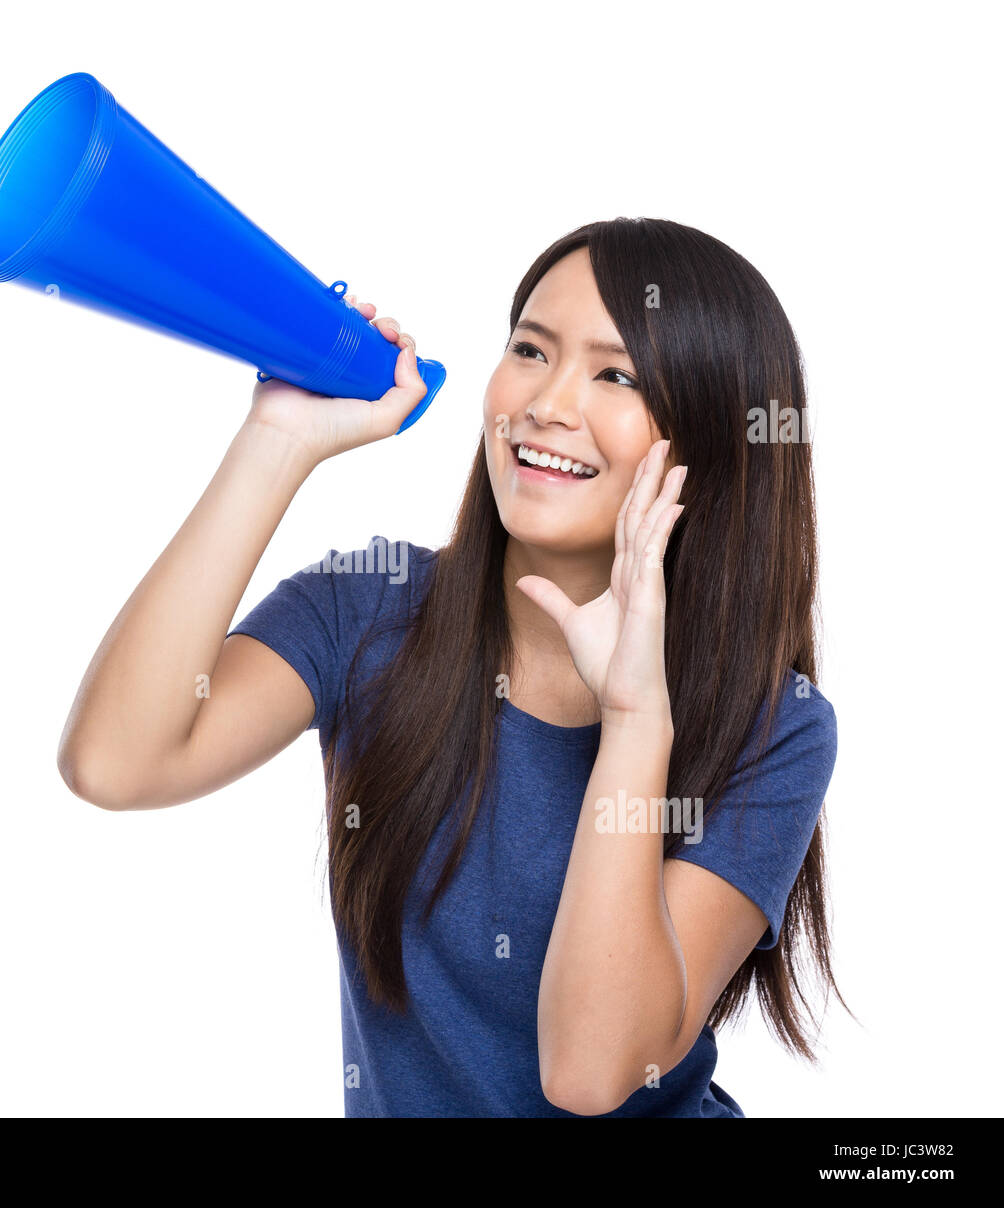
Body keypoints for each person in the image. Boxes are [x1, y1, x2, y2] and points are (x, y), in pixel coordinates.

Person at [57, 217, 843, 1118]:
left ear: (709, 442)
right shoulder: (369, 611)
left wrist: (635, 720)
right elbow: (114, 762)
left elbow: (589, 1073)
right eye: (530, 350)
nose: (546, 402)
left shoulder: (774, 724)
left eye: (615, 374)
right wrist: (277, 439)